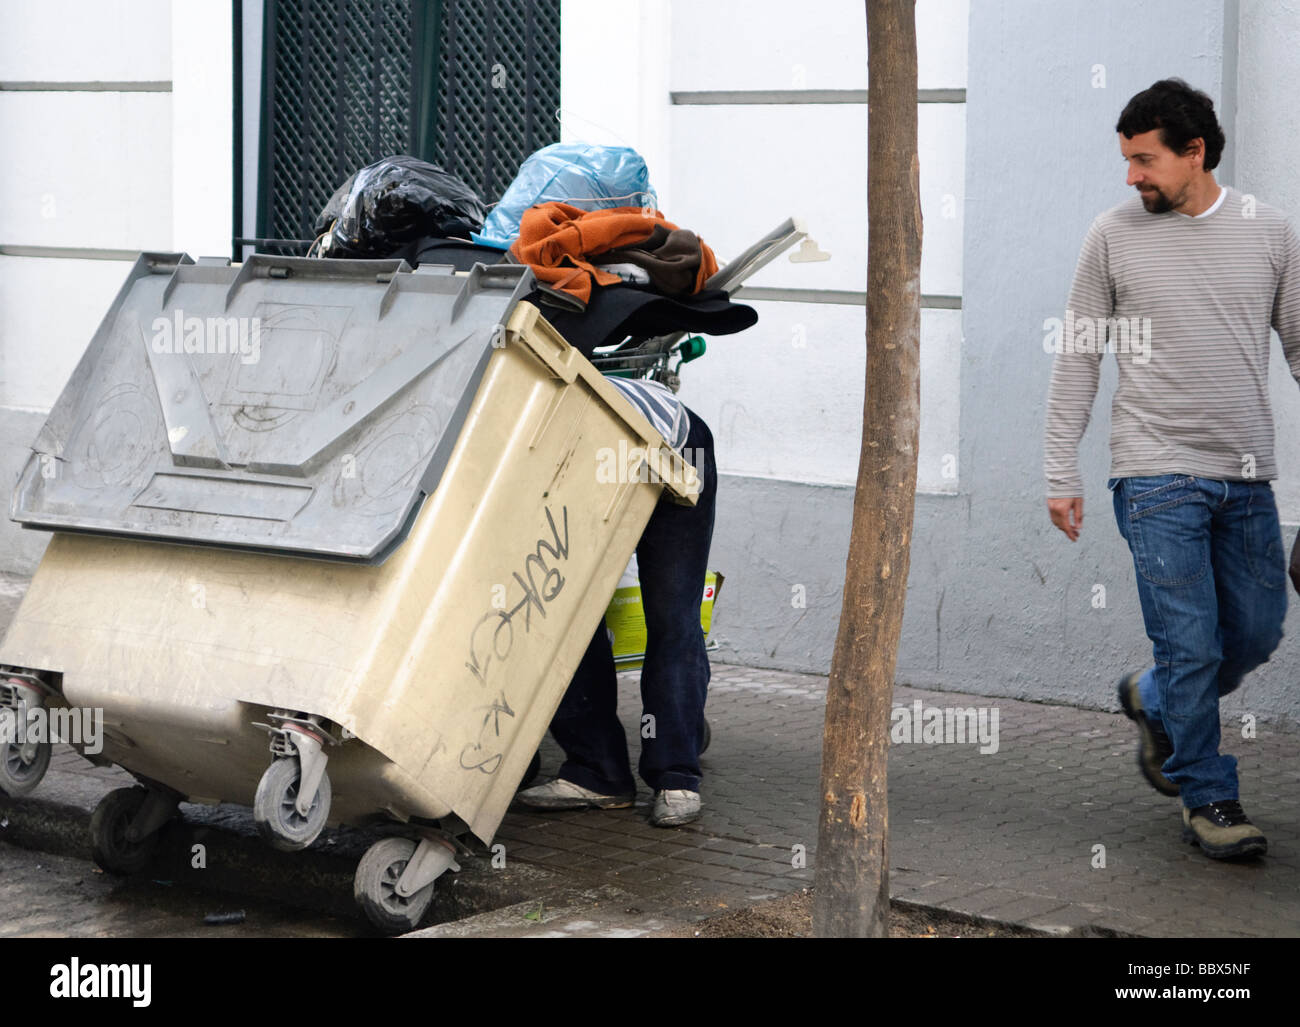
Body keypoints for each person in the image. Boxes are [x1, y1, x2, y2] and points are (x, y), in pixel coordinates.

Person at [1044, 78, 1300, 860]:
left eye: (1146, 160)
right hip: (1154, 473)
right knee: (1190, 642)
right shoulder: (1111, 235)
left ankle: (1150, 698)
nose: (1132, 177)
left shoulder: (1270, 231)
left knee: (1254, 631)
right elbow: (1079, 353)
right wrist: (1062, 468)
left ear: (1196, 152)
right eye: (1127, 161)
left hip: (1245, 470)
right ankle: (1208, 795)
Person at [517, 377, 716, 828]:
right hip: (591, 459)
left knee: (671, 615)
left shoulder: (533, 418)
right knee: (567, 615)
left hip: (675, 447)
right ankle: (597, 772)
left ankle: (677, 777)